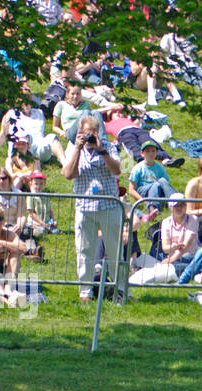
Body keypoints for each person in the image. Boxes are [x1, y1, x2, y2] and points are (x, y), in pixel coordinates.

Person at [61, 113, 123, 302]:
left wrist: (101, 149)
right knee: (84, 250)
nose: (89, 136)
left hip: (108, 205)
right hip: (85, 206)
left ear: (98, 132)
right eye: (86, 133)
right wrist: (78, 149)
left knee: (114, 250)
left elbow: (116, 170)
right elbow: (68, 174)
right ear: (80, 133)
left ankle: (119, 290)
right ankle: (85, 292)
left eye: (93, 132)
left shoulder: (109, 147)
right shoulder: (74, 148)